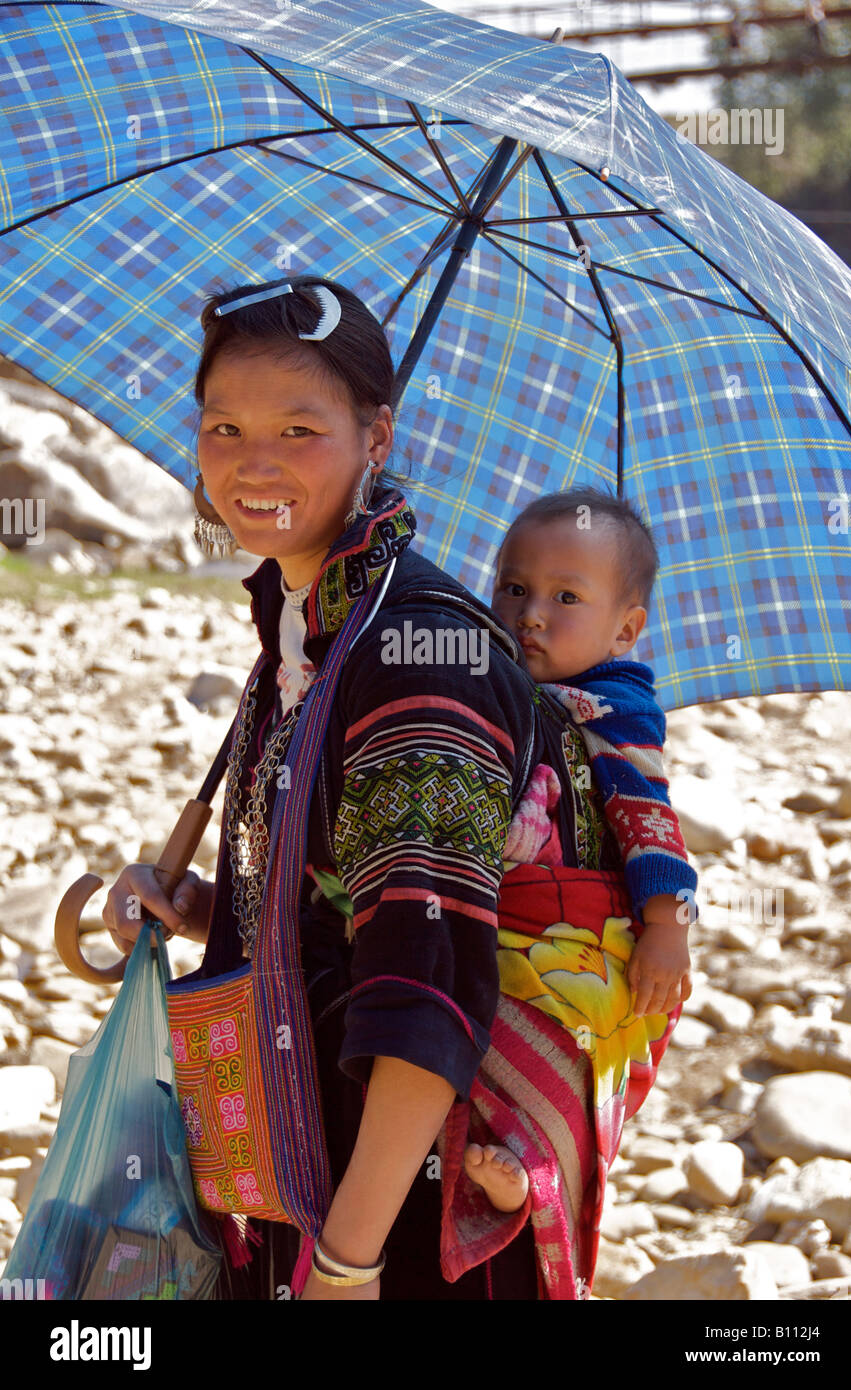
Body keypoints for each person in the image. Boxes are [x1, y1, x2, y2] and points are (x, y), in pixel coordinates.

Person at [102, 273, 617, 1300]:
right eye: (224, 425)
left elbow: (429, 980)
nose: (254, 462)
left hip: (404, 1211)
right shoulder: (306, 627)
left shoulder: (424, 656)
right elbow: (342, 903)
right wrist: (206, 907)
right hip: (309, 1158)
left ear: (376, 438)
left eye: (301, 430)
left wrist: (345, 1262)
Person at [459, 487, 697, 1217]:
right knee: (481, 1045)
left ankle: (542, 1173)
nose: (531, 612)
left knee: (584, 1052)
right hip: (517, 929)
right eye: (515, 588)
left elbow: (648, 816)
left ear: (625, 630)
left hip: (590, 941)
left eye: (566, 597)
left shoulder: (615, 709)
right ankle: (503, 1158)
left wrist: (666, 926)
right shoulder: (495, 685)